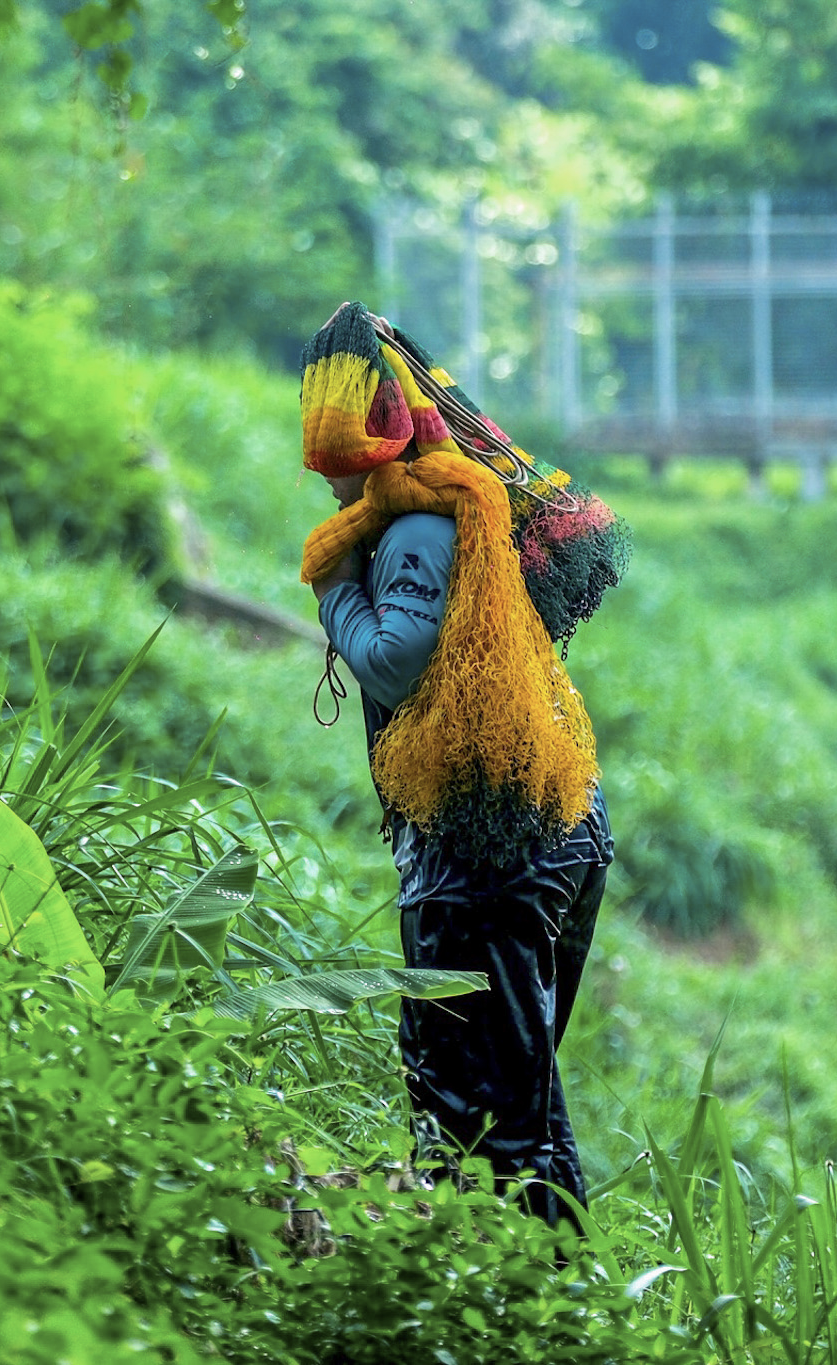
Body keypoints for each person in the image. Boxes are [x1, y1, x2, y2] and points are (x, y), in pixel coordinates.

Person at [299, 303, 616, 1227]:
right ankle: (566, 1307)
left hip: (485, 864)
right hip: (558, 826)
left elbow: (396, 658)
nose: (329, 489)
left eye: (338, 468)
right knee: (522, 1106)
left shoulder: (419, 527)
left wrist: (333, 592)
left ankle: (521, 1314)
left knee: (476, 1131)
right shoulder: (469, 497)